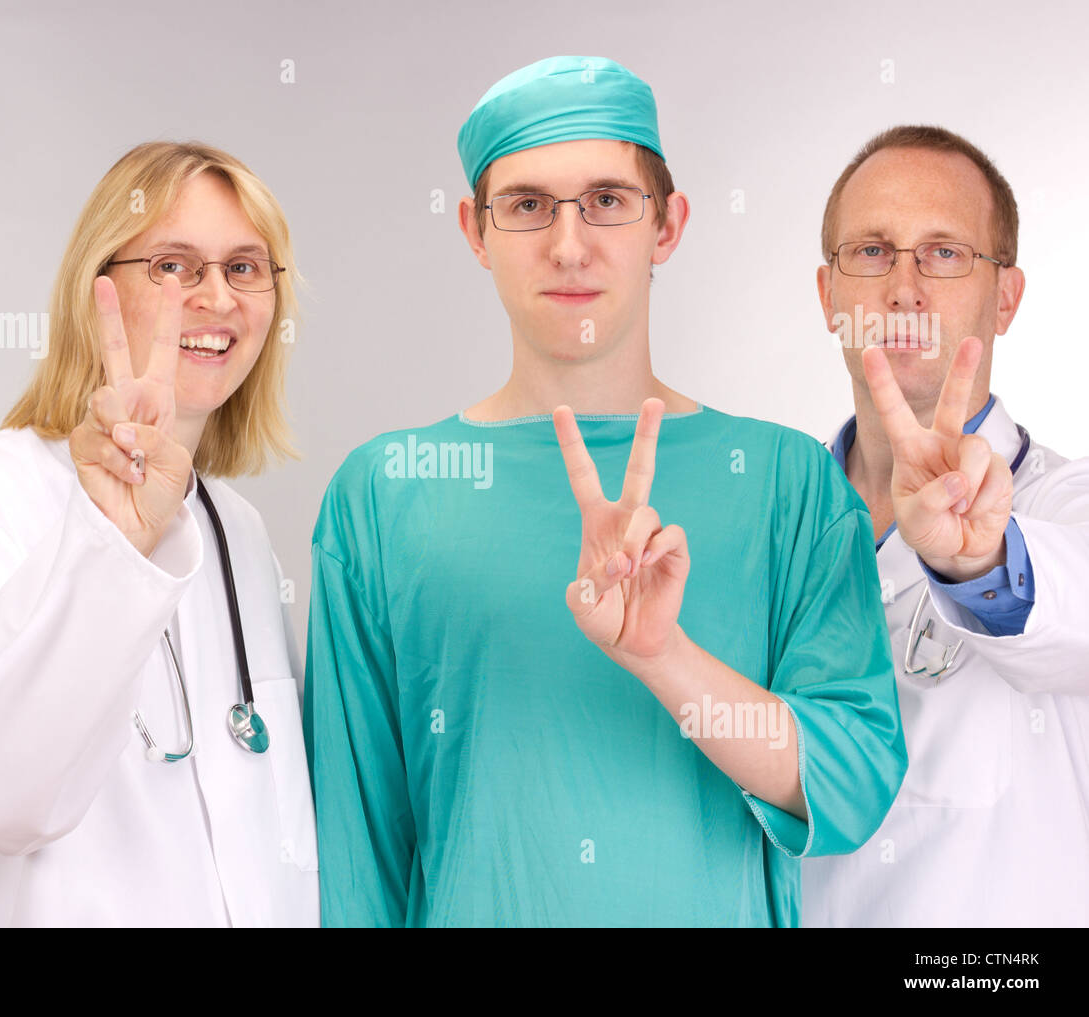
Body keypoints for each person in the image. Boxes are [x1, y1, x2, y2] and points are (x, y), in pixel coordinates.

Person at [303, 55, 906, 927]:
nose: (569, 243)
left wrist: (662, 655)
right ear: (475, 230)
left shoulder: (788, 482)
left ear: (667, 225)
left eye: (608, 201)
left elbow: (852, 784)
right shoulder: (384, 495)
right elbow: (354, 864)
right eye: (527, 206)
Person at [0, 141, 319, 926]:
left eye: (244, 267)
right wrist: (106, 545)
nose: (217, 299)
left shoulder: (237, 532)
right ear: (97, 287)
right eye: (173, 266)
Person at [801, 125, 1089, 927]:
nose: (903, 288)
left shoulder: (1063, 506)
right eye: (870, 251)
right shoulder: (777, 524)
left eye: (945, 253)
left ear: (1007, 297)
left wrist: (979, 561)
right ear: (828, 296)